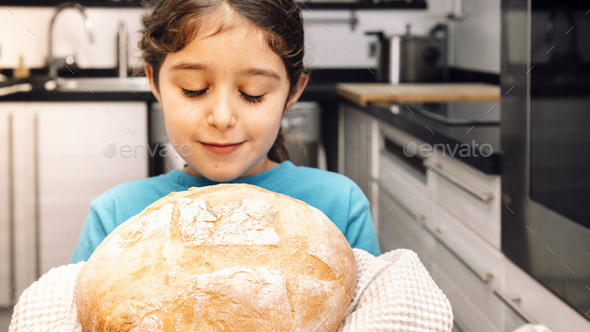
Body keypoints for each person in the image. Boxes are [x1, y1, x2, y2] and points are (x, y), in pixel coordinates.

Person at [70, 0, 380, 263]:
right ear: (155, 82)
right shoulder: (115, 216)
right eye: (194, 89)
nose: (221, 118)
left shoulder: (339, 205)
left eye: (253, 93)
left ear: (293, 92)